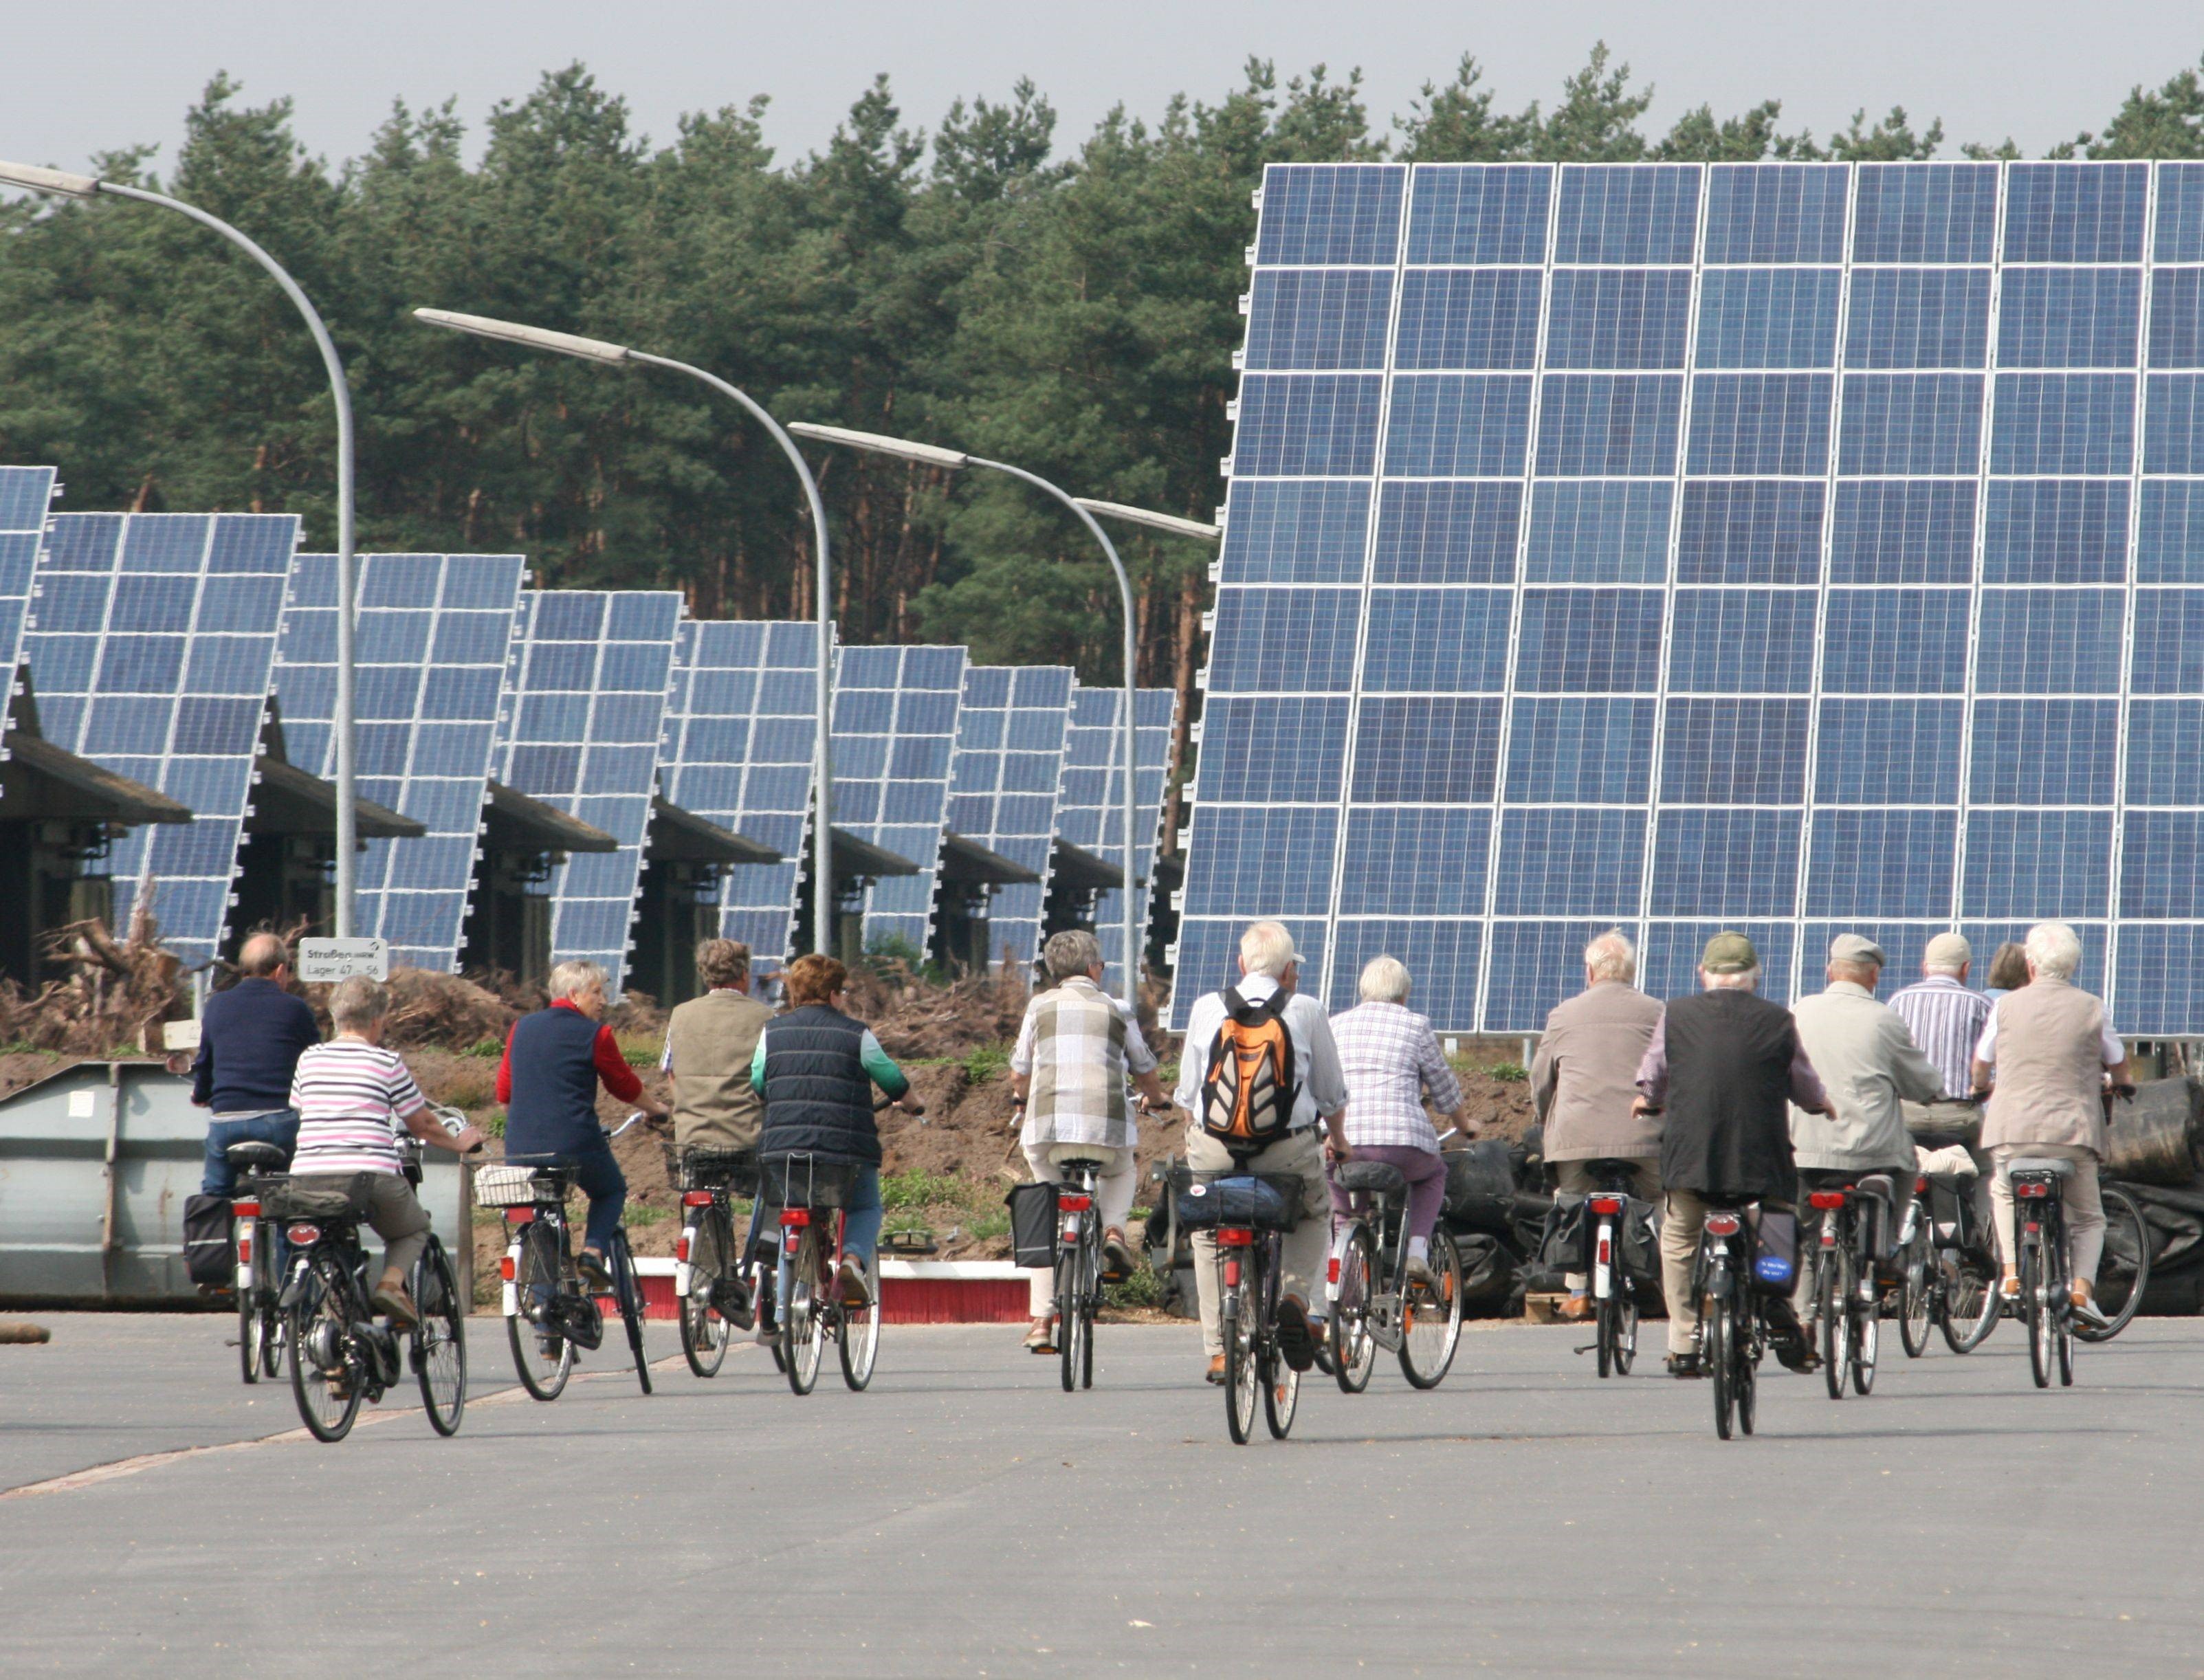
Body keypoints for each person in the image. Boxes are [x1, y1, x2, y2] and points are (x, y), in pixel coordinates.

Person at [1634, 931, 1831, 1377]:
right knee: (1779, 1221)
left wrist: (1647, 1100)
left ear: (1703, 973)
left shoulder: (1676, 1014)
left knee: (1680, 1239)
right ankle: (1777, 1302)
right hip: (1760, 1159)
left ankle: (1682, 1342)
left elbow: (1654, 1074)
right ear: (1755, 978)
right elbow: (1803, 1084)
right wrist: (1820, 1103)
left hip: (1692, 1158)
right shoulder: (1779, 1019)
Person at [1173, 920, 1349, 1385]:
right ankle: (1294, 1300)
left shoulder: (1206, 1006)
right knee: (1313, 1212)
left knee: (1209, 1232)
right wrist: (1340, 1140)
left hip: (1213, 1150)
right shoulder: (1307, 1010)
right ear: (1290, 970)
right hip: (1285, 1152)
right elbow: (1330, 1095)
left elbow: (1189, 1094)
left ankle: (1217, 1350)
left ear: (1241, 964)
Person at [288, 975, 485, 1326]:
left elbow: (304, 1110)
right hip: (369, 1177)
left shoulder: (308, 1060)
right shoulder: (387, 1063)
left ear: (335, 1017)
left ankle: (334, 1348)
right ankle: (392, 1284)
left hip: (308, 1177)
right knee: (414, 1229)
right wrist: (460, 1143)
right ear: (378, 1020)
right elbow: (422, 1124)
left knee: (325, 1244)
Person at [1009, 929, 1171, 1353]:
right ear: (1093, 968)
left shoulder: (1039, 1006)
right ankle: (1115, 1231)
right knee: (1120, 1168)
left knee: (1049, 1207)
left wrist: (1020, 1095)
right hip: (1106, 1128)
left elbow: (1019, 1070)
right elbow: (1144, 1069)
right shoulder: (1117, 1009)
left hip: (1047, 1132)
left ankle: (1042, 1322)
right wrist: (1156, 1099)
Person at [1970, 920, 2131, 1325]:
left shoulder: (2004, 1007)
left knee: (2004, 1191)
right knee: (2089, 1216)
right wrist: (2125, 1085)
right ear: (2074, 966)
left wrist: (1979, 1088)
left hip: (2012, 1130)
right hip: (2072, 1133)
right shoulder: (2093, 1007)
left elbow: (1981, 1062)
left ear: (2030, 964)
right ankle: (2081, 1291)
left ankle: (2009, 1275)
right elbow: (2118, 1062)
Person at [751, 953, 920, 1308]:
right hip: (843, 1152)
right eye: (840, 991)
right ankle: (852, 1261)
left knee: (790, 1208)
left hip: (783, 1149)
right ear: (831, 995)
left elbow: (758, 1083)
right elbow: (893, 1081)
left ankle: (783, 1312)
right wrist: (914, 1104)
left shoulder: (772, 1032)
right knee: (865, 1205)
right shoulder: (856, 1034)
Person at [496, 960, 668, 1291]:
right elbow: (624, 1086)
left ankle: (547, 1327)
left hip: (520, 1147)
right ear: (574, 995)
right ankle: (592, 1252)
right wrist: (656, 1108)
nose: (603, 1001)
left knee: (538, 1217)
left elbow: (504, 1095)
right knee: (611, 1189)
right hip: (574, 1143)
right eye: (597, 992)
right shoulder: (596, 1034)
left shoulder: (522, 1027)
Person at [1789, 934, 1943, 1288]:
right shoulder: (1884, 1020)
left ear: (1830, 971)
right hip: (1871, 1151)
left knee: (1803, 1236)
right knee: (1908, 1165)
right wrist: (1936, 1093)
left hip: (1805, 1149)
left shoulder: (1798, 1011)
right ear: (1874, 976)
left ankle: (1803, 1318)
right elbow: (1921, 1085)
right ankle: (1886, 1245)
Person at [1530, 929, 1664, 1320]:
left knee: (1572, 1198)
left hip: (1576, 1138)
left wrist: (1544, 1120)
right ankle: (1666, 1283)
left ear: (1589, 971)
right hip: (1643, 1136)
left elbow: (1541, 1081)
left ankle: (1578, 1292)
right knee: (1658, 1198)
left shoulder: (1562, 1014)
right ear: (1632, 972)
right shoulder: (1657, 1011)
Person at [1329, 955, 1470, 1290]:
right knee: (1433, 1173)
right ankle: (1417, 1251)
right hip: (1403, 1146)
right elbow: (1443, 1087)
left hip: (1343, 1143)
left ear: (1363, 991)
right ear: (1404, 994)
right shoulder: (1415, 1024)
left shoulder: (1335, 1026)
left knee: (1342, 1202)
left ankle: (1343, 1275)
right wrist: (1465, 1125)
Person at [661, 938, 775, 1327]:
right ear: (744, 974)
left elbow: (672, 1075)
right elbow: (770, 1081)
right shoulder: (765, 1018)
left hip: (692, 1139)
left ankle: (701, 1298)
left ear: (704, 975)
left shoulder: (680, 1015)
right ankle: (767, 1255)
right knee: (780, 1185)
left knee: (703, 1204)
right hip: (747, 1139)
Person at [192, 932, 320, 1195]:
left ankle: (212, 1229)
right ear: (280, 971)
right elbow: (315, 1061)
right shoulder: (295, 1008)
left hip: (228, 1122)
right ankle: (286, 1232)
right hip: (280, 1122)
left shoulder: (217, 1005)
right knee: (290, 1197)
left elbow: (205, 1061)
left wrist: (202, 1094)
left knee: (215, 1192)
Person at [1887, 933, 1994, 1101]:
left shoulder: (1898, 1001)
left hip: (1909, 1110)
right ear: (1966, 968)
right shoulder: (1981, 1004)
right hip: (1960, 1112)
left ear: (1924, 967)